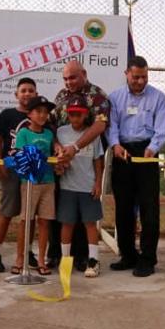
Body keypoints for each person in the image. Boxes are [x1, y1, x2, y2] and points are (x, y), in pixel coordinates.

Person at [107, 56, 165, 277]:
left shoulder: (159, 98)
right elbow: (112, 124)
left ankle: (148, 258)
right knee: (123, 207)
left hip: (147, 152)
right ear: (127, 74)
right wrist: (115, 145)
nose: (140, 81)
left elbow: (162, 128)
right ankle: (127, 255)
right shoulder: (115, 97)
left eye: (144, 77)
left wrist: (153, 147)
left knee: (149, 208)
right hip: (122, 153)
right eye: (136, 77)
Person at [50, 60, 112, 270]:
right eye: (66, 78)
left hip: (84, 163)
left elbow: (100, 125)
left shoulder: (98, 96)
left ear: (84, 74)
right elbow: (52, 125)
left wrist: (75, 147)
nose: (69, 82)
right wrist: (58, 146)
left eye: (73, 77)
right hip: (62, 165)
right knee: (60, 214)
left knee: (86, 219)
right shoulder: (60, 96)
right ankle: (57, 255)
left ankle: (85, 258)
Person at [0, 77, 38, 274]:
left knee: (30, 213)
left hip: (32, 171)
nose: (27, 93)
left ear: (36, 94)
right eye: (23, 90)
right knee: (8, 210)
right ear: (16, 94)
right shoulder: (8, 115)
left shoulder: (40, 115)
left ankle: (27, 251)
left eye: (31, 90)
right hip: (11, 168)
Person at [54, 96, 105, 277]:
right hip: (67, 186)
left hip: (87, 186)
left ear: (86, 115)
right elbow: (56, 154)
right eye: (72, 114)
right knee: (67, 224)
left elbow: (98, 161)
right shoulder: (61, 132)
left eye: (79, 114)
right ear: (67, 114)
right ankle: (65, 260)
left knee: (90, 224)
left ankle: (93, 260)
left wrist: (98, 182)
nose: (75, 118)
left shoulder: (92, 134)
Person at [14, 95, 58, 274]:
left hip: (48, 183)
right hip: (29, 183)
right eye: (38, 111)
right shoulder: (23, 134)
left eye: (45, 112)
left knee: (44, 222)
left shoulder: (49, 134)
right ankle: (20, 258)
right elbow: (21, 156)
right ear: (29, 114)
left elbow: (52, 155)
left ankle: (41, 259)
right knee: (26, 221)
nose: (42, 115)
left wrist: (58, 161)